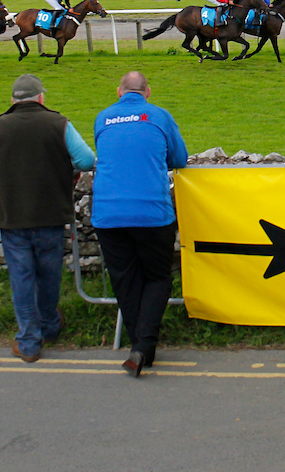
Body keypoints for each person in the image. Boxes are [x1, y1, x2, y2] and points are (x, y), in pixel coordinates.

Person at [0, 74, 95, 363]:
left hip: (12, 213)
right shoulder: (60, 124)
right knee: (50, 271)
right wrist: (64, 173)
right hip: (51, 210)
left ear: (13, 100)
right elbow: (87, 160)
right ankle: (50, 327)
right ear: (41, 98)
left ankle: (29, 341)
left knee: (22, 276)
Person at [92, 70, 188, 376]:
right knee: (158, 277)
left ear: (119, 92)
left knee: (125, 279)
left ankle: (140, 347)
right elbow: (180, 159)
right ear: (147, 92)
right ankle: (143, 348)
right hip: (151, 212)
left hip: (108, 213)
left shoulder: (102, 118)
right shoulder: (159, 116)